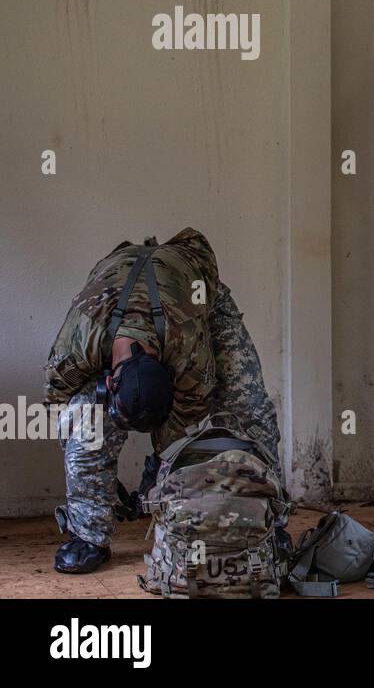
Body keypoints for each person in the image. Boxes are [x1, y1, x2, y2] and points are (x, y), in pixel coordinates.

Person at [44, 227, 281, 573]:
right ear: (106, 381)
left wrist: (159, 473)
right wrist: (103, 488)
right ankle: (87, 533)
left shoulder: (188, 355)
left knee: (250, 406)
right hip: (115, 291)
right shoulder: (80, 338)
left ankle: (268, 524)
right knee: (82, 424)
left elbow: (187, 423)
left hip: (199, 297)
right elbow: (57, 399)